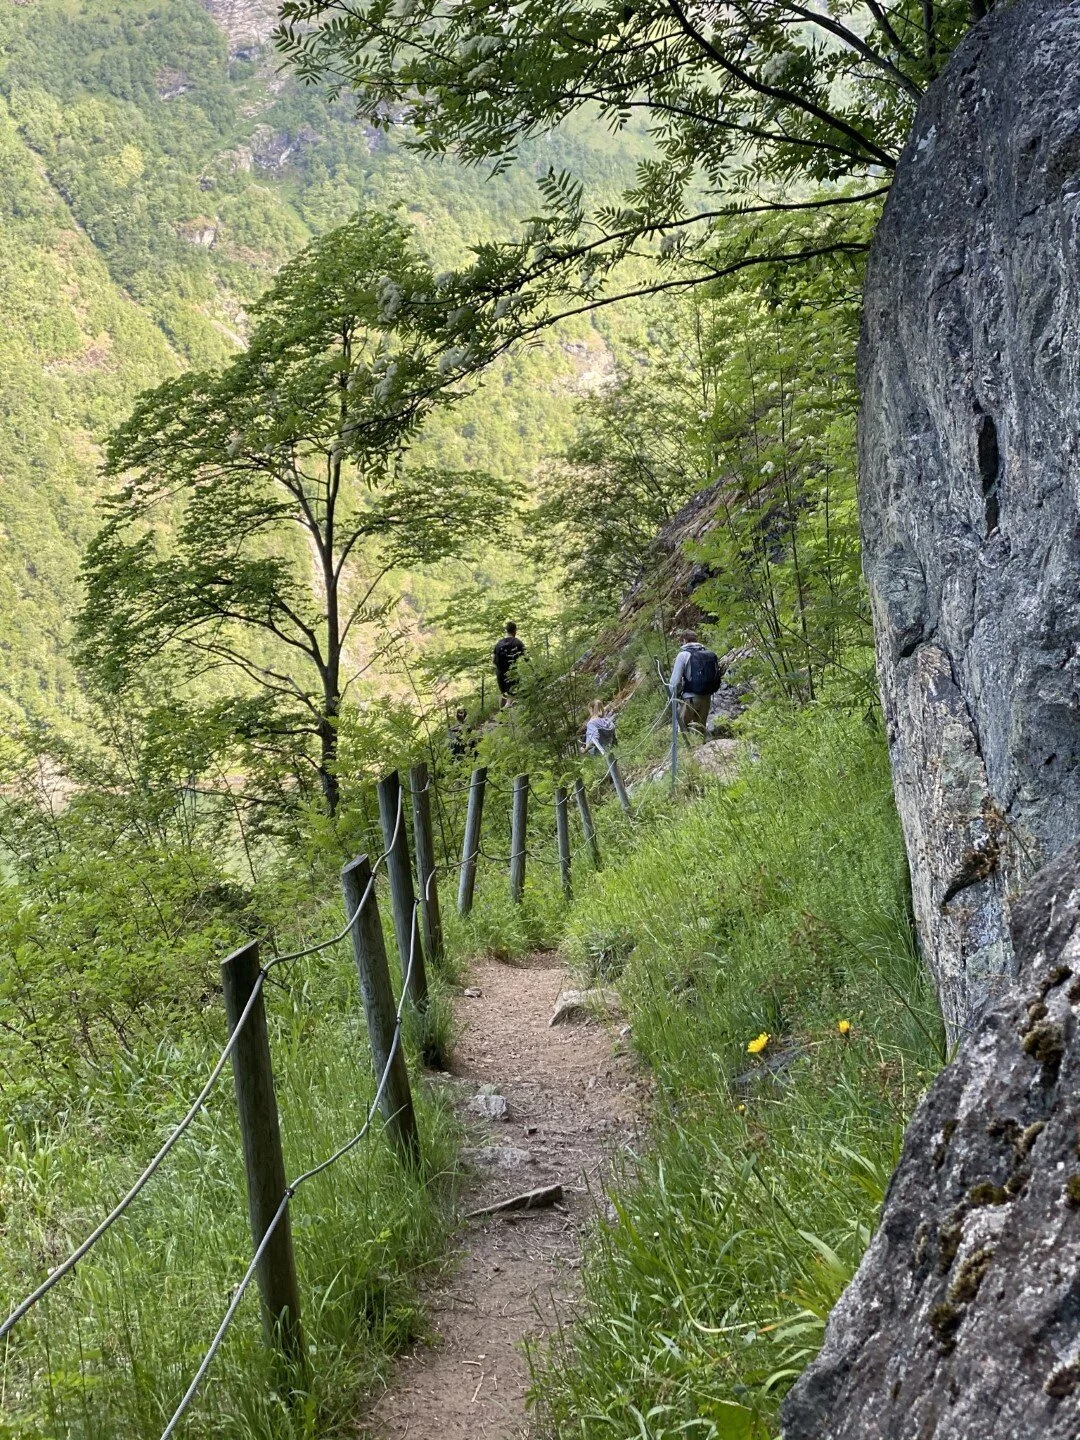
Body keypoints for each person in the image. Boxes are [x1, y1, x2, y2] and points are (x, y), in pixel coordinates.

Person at [669, 630, 724, 736]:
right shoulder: (708, 654)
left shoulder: (683, 655)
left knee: (682, 732)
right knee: (699, 732)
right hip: (706, 698)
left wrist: (672, 697)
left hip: (690, 699)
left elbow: (674, 681)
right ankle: (700, 749)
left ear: (684, 640)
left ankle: (686, 752)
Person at [493, 621, 526, 704]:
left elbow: (494, 660)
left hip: (500, 672)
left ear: (506, 630)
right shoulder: (518, 642)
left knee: (503, 694)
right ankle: (508, 712)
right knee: (511, 694)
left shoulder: (499, 643)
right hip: (512, 672)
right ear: (515, 630)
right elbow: (526, 658)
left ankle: (501, 714)